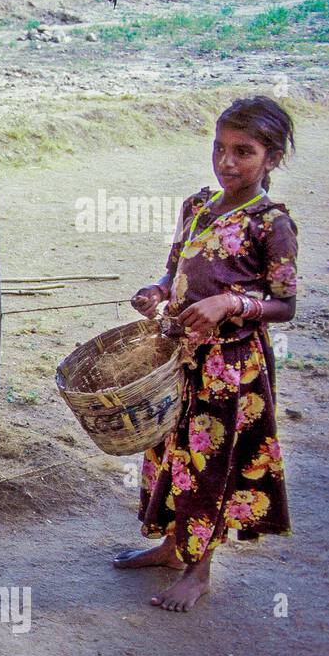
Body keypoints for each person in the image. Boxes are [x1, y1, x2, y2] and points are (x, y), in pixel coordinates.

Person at [114, 96, 298, 612]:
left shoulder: (270, 224)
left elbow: (284, 304)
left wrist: (231, 302)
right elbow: (172, 269)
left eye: (244, 152)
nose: (227, 162)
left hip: (231, 369)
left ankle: (199, 572)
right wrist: (156, 292)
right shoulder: (197, 208)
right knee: (169, 452)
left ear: (272, 158)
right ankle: (173, 547)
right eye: (219, 149)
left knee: (209, 463)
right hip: (178, 360)